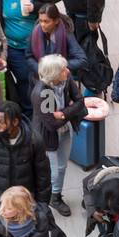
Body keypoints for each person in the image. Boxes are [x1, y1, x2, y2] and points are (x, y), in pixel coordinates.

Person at [0, 100, 51, 223]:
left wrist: (42, 208)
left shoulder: (34, 140)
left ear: (15, 122)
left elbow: (43, 178)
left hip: (26, 207)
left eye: (1, 122)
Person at [31, 54, 88, 216]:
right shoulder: (43, 93)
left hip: (65, 131)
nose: (68, 71)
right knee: (53, 172)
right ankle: (44, 198)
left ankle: (55, 196)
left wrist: (62, 113)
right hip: (49, 137)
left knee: (62, 167)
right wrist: (69, 111)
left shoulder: (66, 81)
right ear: (53, 74)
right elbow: (51, 124)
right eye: (63, 70)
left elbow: (80, 102)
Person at [29, 3, 86, 84]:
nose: (42, 25)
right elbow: (29, 56)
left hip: (59, 81)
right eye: (40, 21)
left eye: (46, 21)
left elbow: (82, 59)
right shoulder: (35, 31)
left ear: (56, 21)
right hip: (39, 79)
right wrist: (41, 69)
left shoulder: (66, 33)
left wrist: (58, 66)